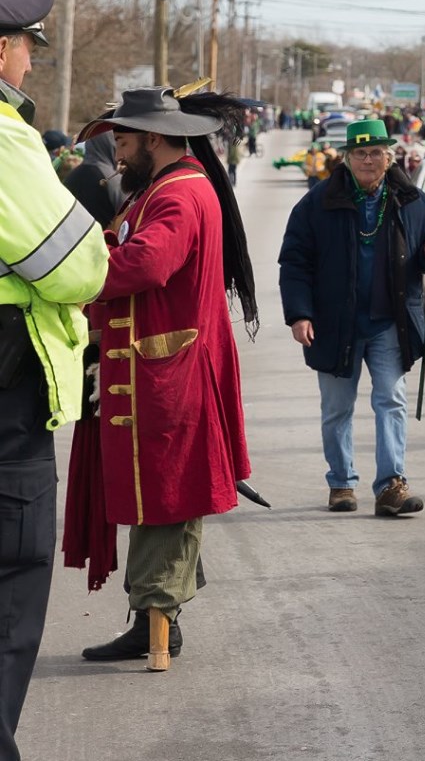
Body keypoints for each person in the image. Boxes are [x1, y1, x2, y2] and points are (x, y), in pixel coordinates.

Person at [72, 87, 258, 671]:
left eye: (123, 140)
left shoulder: (179, 193)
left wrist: (74, 266)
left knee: (166, 497)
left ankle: (159, 620)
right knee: (160, 496)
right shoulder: (167, 187)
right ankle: (156, 614)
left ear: (154, 136)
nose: (118, 152)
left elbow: (147, 263)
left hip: (168, 370)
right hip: (155, 364)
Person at [0, 0, 107, 756]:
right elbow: (75, 262)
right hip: (7, 394)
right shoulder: (6, 139)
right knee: (14, 576)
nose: (32, 57)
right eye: (26, 43)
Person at [279, 118, 425, 516]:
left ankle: (391, 485)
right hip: (337, 324)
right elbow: (294, 262)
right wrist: (300, 314)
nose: (368, 160)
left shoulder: (412, 199)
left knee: (391, 399)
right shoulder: (317, 202)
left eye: (376, 153)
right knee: (337, 408)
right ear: (348, 158)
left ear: (389, 157)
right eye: (360, 153)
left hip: (391, 321)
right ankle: (341, 483)